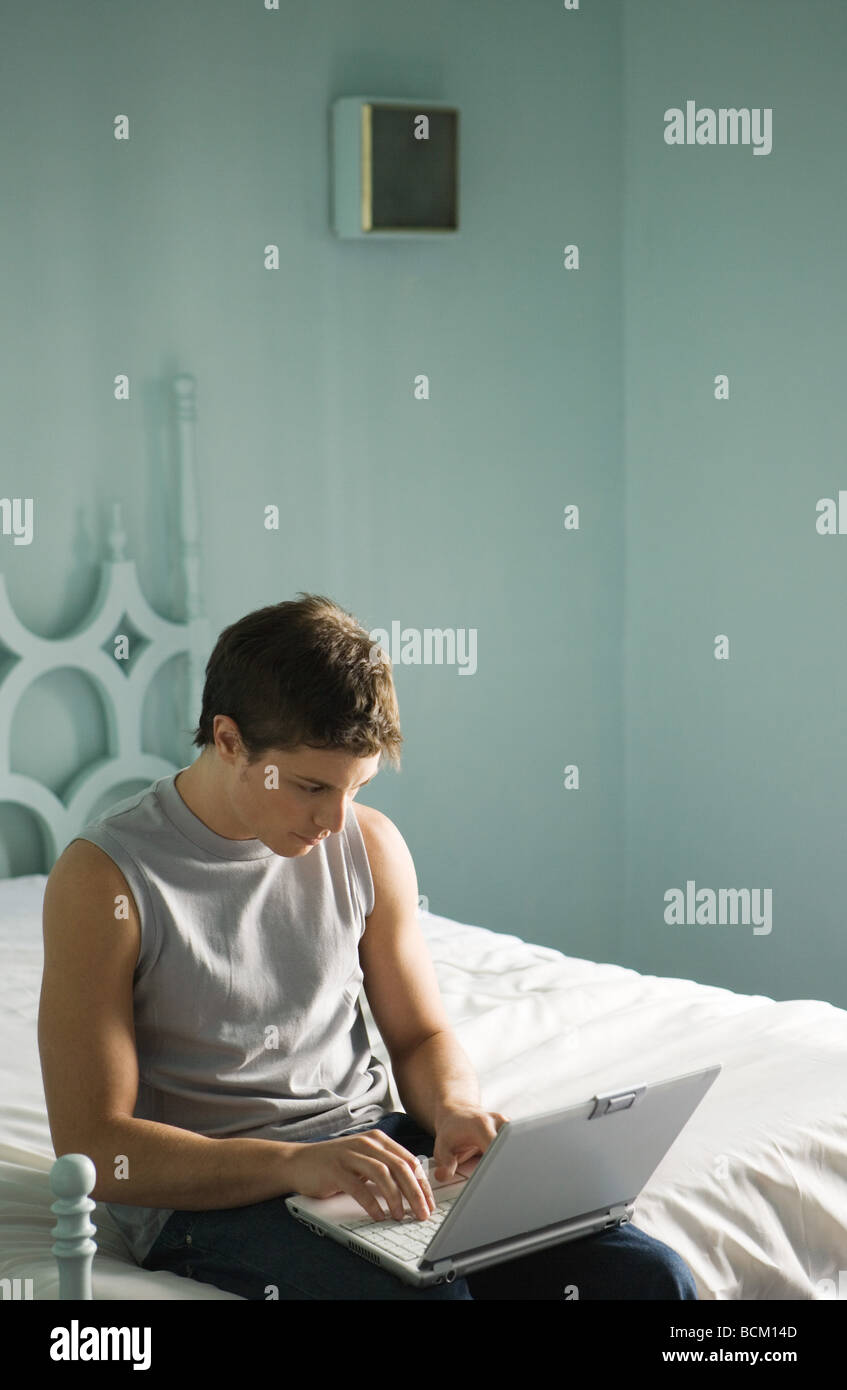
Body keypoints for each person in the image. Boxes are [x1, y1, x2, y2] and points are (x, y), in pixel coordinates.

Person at [38, 593, 697, 1301]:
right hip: (208, 1197)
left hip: (373, 1147)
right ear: (228, 741)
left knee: (647, 1279)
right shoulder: (105, 876)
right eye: (310, 786)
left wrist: (451, 1111)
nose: (333, 820)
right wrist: (295, 1164)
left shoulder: (369, 843)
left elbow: (417, 1036)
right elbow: (96, 1148)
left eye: (355, 787)